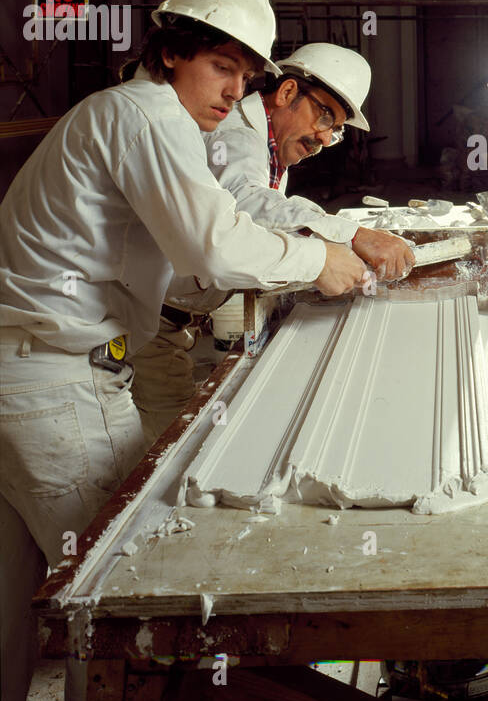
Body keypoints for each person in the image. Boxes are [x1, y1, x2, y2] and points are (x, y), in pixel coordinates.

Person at [0, 0, 367, 701]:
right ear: (169, 53)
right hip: (54, 384)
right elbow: (213, 244)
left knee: (11, 624)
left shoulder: (122, 114)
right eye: (219, 68)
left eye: (246, 75)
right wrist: (323, 258)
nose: (235, 91)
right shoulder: (147, 115)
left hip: (16, 370)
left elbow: (205, 233)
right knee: (128, 605)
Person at [131, 43, 414, 438]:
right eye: (325, 116)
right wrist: (351, 234)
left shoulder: (270, 147)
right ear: (286, 93)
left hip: (176, 320)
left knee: (180, 435)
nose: (324, 138)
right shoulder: (237, 134)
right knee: (173, 450)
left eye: (336, 131)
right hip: (145, 324)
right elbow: (246, 203)